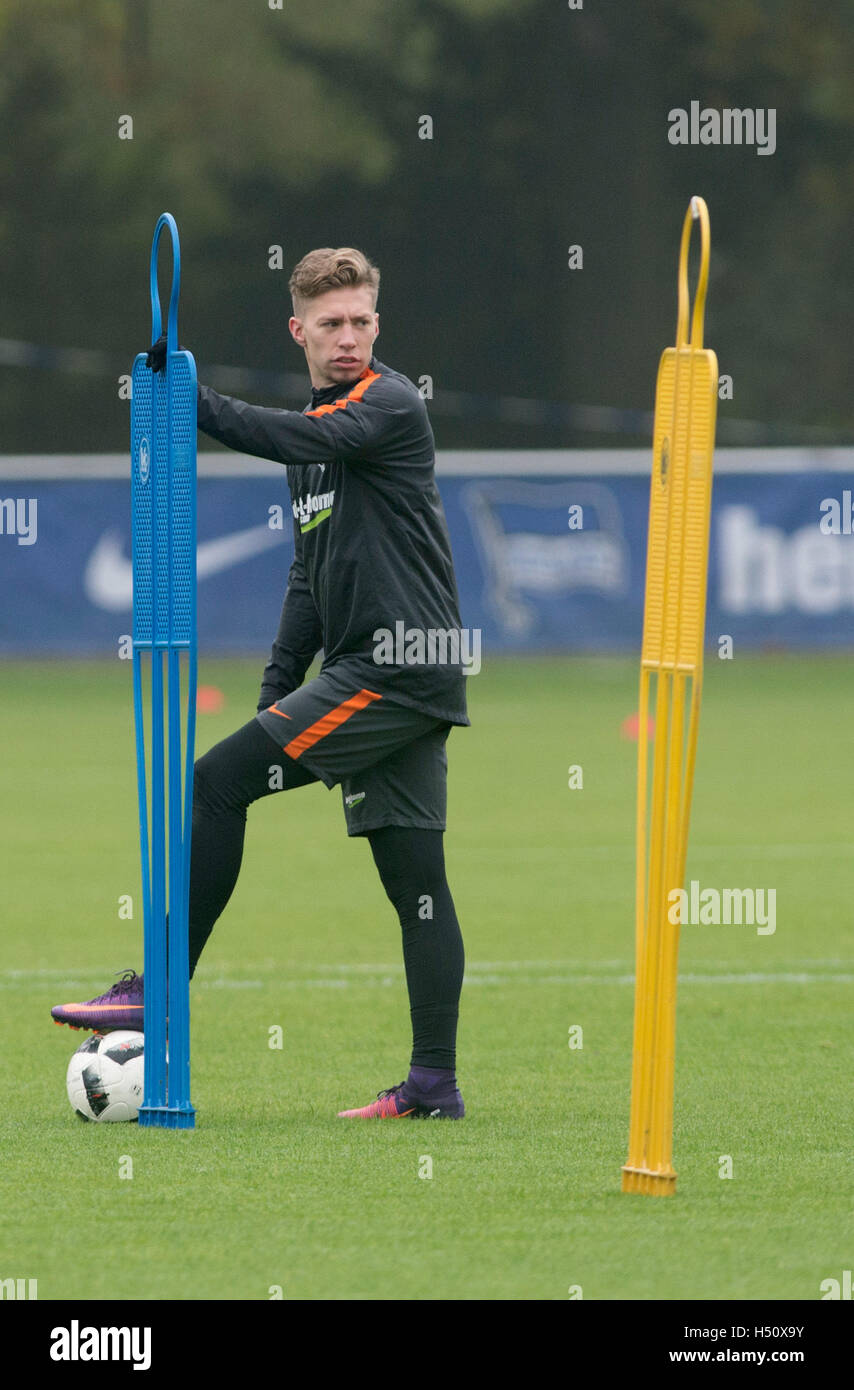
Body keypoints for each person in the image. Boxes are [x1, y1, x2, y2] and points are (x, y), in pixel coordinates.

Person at [51, 247, 470, 1119]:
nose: (348, 338)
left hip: (398, 666)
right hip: (387, 671)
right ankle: (434, 1086)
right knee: (416, 881)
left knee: (213, 782)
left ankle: (157, 993)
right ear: (300, 331)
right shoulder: (313, 452)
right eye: (331, 325)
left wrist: (189, 400)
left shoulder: (389, 404)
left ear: (377, 325)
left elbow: (300, 432)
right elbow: (309, 577)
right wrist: (279, 683)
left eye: (361, 321)